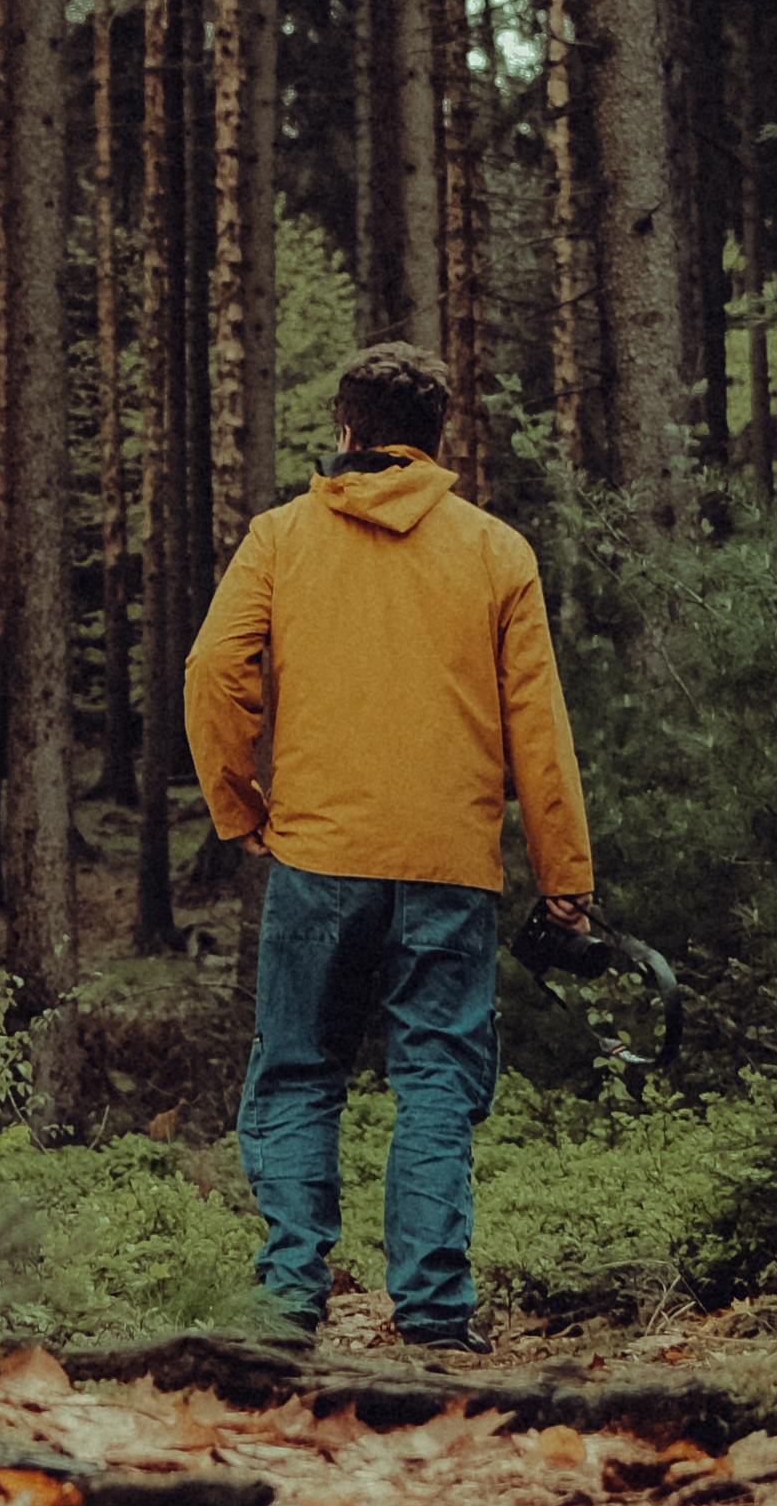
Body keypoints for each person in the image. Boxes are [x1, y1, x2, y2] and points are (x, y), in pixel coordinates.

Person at [180, 338, 598, 1353]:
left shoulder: (280, 537)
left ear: (345, 430)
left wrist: (240, 812)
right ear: (432, 442)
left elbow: (210, 670)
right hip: (449, 867)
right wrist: (565, 886)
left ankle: (284, 1305)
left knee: (295, 1074)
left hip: (318, 857)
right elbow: (537, 731)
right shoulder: (495, 552)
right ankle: (434, 1319)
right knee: (435, 1086)